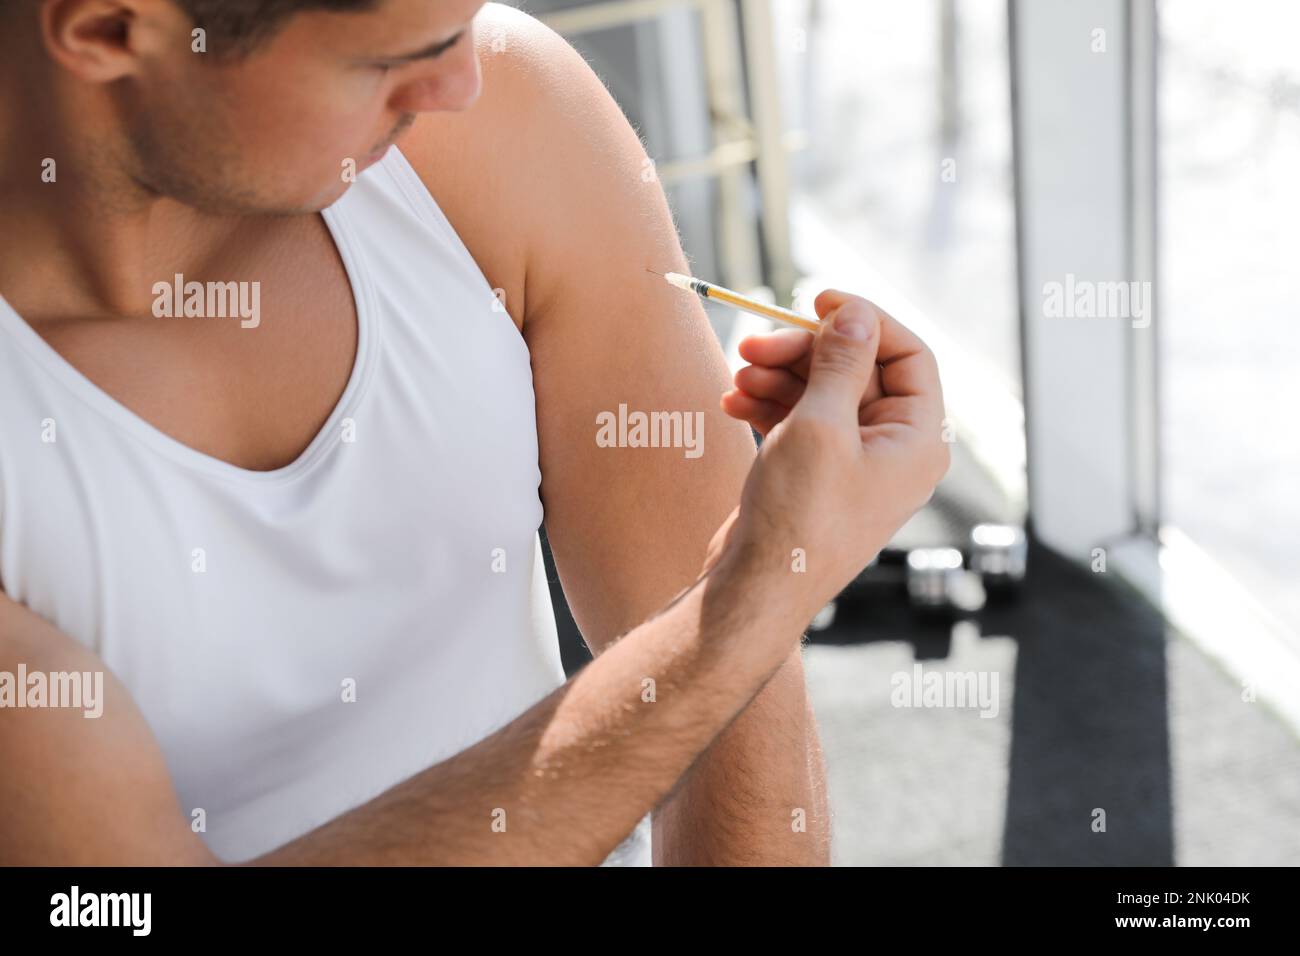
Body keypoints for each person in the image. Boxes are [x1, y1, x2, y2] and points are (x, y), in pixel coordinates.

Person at [0, 0, 948, 866]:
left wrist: (753, 594)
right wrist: (751, 601)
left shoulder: (501, 117)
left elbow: (741, 742)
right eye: (391, 59)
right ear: (110, 29)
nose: (460, 82)